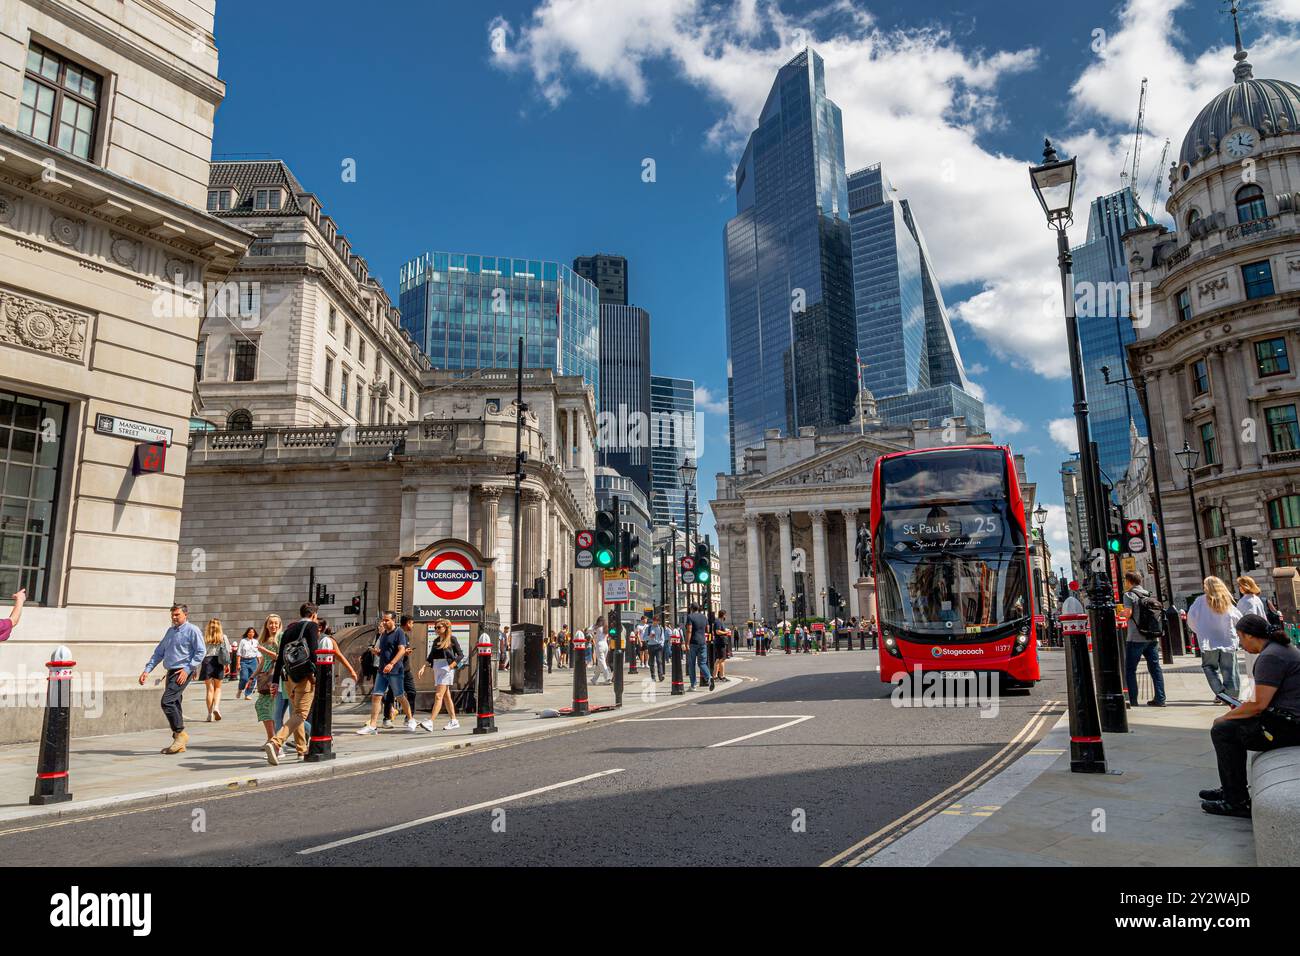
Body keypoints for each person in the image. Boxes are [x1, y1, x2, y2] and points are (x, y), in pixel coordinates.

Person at [1202, 614, 1300, 817]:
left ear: (1249, 635)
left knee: (1222, 730)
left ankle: (1235, 799)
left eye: (1240, 637)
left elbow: (1258, 704)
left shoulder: (1270, 656)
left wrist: (1226, 717)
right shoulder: (1280, 649)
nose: (1240, 643)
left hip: (1290, 726)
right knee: (1232, 726)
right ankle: (1231, 787)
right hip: (1287, 719)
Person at [139, 604, 205, 755]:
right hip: (171, 671)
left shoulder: (192, 630)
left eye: (177, 615)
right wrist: (147, 670)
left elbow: (201, 651)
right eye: (173, 615)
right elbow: (159, 652)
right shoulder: (170, 631)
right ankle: (179, 742)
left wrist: (188, 669)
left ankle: (180, 734)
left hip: (182, 671)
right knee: (175, 702)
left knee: (167, 701)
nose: (174, 618)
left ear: (185, 615)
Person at [263, 603, 322, 764]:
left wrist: (275, 682)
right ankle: (276, 742)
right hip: (305, 677)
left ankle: (301, 751)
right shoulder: (311, 627)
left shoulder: (289, 629)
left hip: (287, 678)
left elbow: (280, 657)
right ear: (314, 615)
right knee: (301, 714)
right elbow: (314, 653)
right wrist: (317, 676)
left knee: (296, 713)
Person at [357, 610, 416, 734]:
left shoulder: (399, 632)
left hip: (395, 670)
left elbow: (401, 650)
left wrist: (391, 663)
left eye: (386, 620)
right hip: (382, 670)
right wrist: (377, 652)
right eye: (383, 620)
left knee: (399, 696)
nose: (384, 622)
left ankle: (410, 719)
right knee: (376, 696)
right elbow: (386, 651)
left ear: (393, 620)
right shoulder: (383, 634)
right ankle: (373, 725)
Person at [1188, 576, 1243, 702]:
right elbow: (1238, 619)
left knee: (1209, 667)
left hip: (1208, 642)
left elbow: (1191, 620)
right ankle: (1232, 695)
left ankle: (1220, 692)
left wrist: (1200, 631)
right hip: (1227, 640)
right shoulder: (1226, 601)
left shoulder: (1199, 601)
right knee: (1230, 669)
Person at [1121, 571, 1167, 706]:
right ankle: (1160, 698)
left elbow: (1128, 614)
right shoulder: (1148, 594)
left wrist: (1121, 612)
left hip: (1135, 637)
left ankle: (1133, 700)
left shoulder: (1129, 595)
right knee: (1155, 668)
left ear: (1129, 581)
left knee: (1130, 669)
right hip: (1152, 637)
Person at [417, 618, 463, 731]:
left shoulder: (452, 639)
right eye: (435, 627)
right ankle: (454, 721)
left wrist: (450, 666)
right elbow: (431, 657)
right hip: (437, 669)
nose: (436, 629)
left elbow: (460, 655)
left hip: (446, 669)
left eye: (438, 627)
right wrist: (423, 666)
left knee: (438, 696)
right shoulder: (436, 640)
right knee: (446, 696)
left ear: (445, 628)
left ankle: (431, 721)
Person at [250, 616, 281, 743]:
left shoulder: (281, 637)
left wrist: (265, 651)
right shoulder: (264, 640)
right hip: (265, 676)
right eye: (271, 623)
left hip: (276, 676)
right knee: (262, 706)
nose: (273, 625)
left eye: (276, 623)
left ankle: (273, 739)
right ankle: (271, 737)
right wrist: (253, 676)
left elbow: (280, 657)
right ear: (266, 625)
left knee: (270, 707)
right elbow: (263, 661)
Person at [1236, 576, 1267, 701]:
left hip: (1251, 638)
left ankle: (1252, 696)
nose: (1239, 588)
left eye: (1240, 585)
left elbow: (1250, 619)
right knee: (1256, 667)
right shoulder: (1256, 599)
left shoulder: (1247, 601)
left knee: (1252, 668)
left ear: (1244, 586)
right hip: (1259, 636)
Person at [199, 618, 231, 722]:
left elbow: (200, 652)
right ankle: (216, 707)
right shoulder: (223, 637)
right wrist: (227, 665)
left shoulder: (205, 638)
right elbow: (227, 651)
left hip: (207, 662)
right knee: (218, 688)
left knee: (209, 689)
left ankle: (209, 714)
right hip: (218, 662)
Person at [686, 603, 713, 691]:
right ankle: (709, 678)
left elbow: (689, 630)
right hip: (702, 642)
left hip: (693, 643)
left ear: (691, 608)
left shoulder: (690, 617)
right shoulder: (704, 617)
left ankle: (693, 685)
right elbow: (708, 629)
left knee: (691, 664)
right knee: (702, 663)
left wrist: (687, 643)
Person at [236, 627, 260, 701]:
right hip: (244, 661)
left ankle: (248, 694)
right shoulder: (243, 641)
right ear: (247, 633)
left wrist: (260, 664)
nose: (251, 633)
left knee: (253, 678)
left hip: (253, 661)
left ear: (254, 633)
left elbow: (258, 653)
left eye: (252, 632)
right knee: (244, 678)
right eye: (249, 632)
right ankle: (240, 689)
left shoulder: (256, 641)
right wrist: (238, 663)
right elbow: (239, 653)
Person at [591, 616, 613, 685]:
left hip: (599, 645)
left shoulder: (597, 628)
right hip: (605, 645)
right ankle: (594, 679)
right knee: (600, 663)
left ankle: (607, 678)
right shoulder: (606, 628)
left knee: (602, 662)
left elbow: (588, 630)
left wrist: (593, 625)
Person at [645, 614, 667, 681]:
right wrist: (649, 637)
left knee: (659, 661)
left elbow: (663, 637)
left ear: (659, 621)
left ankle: (660, 676)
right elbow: (644, 637)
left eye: (657, 621)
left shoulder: (660, 628)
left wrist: (662, 644)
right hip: (651, 646)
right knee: (651, 662)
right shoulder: (648, 628)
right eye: (654, 620)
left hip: (658, 646)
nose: (655, 622)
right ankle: (653, 676)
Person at [713, 610, 731, 682]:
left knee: (718, 659)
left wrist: (725, 630)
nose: (725, 616)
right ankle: (721, 676)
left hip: (720, 642)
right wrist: (726, 632)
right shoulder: (718, 622)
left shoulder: (720, 622)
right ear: (723, 615)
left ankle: (715, 676)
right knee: (722, 659)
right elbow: (717, 631)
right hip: (720, 643)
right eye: (725, 615)